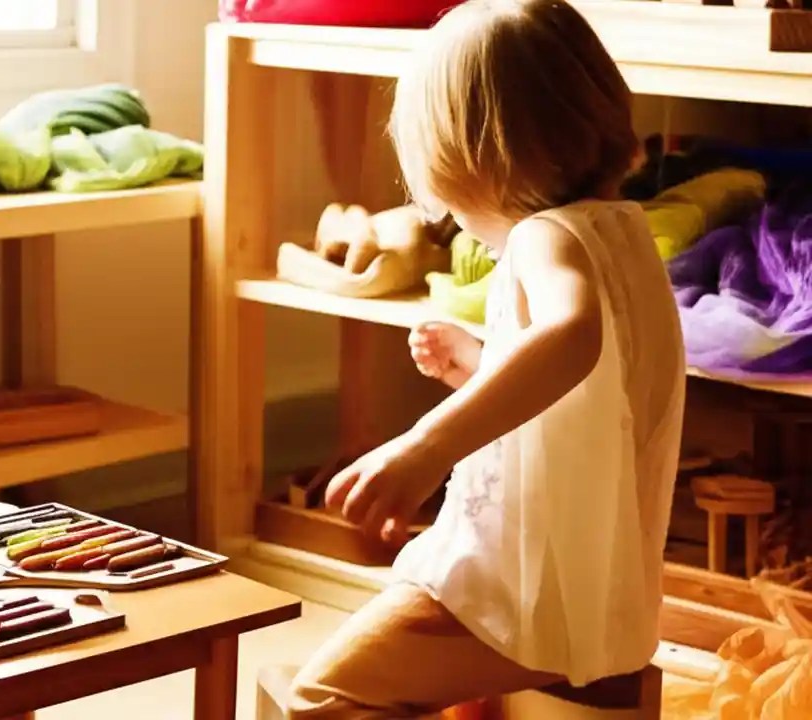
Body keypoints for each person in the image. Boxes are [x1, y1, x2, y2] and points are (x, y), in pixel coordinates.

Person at [285, 0, 687, 716]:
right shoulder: (625, 233)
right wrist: (478, 361)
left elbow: (572, 335)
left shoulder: (544, 237)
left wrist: (424, 445)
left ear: (476, 158)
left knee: (321, 696)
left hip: (511, 597)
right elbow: (589, 395)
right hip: (597, 598)